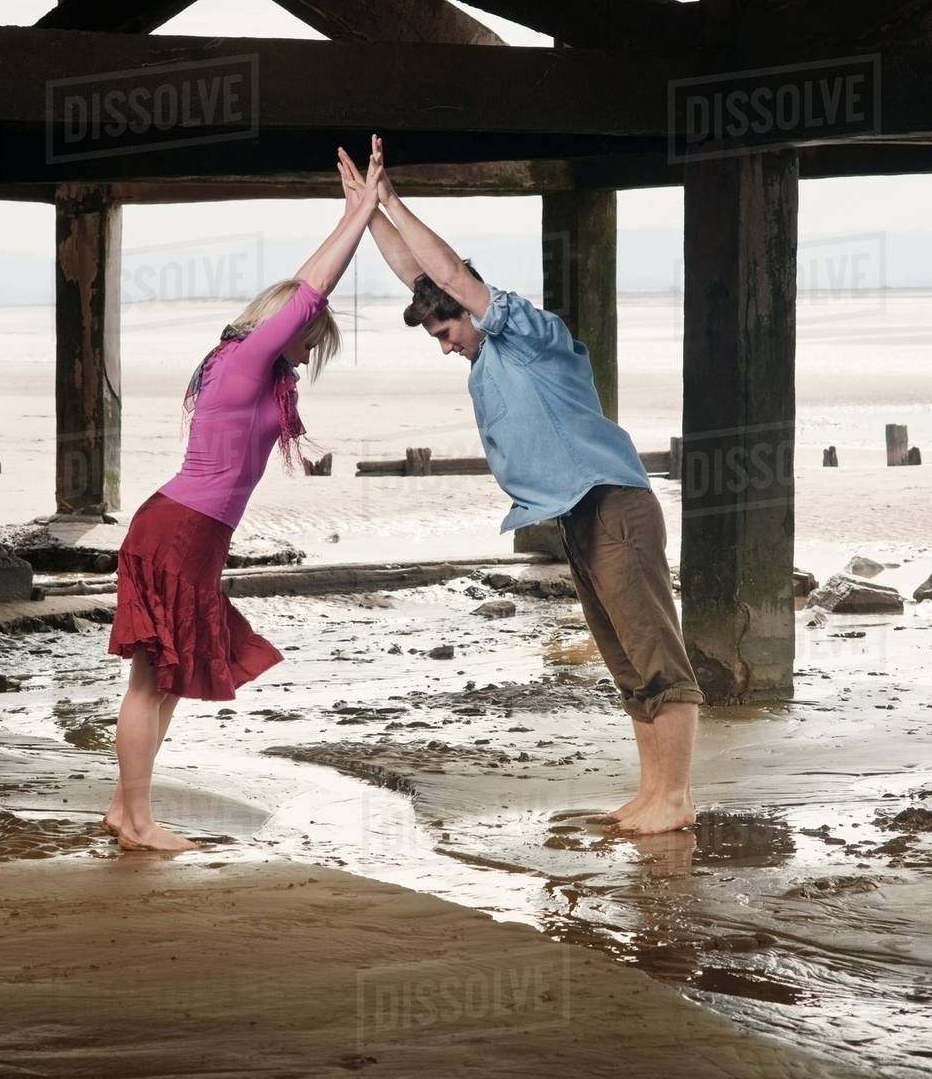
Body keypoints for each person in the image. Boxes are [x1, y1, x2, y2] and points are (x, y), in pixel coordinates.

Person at [339, 136, 704, 836]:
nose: (445, 344)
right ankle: (654, 791)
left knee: (658, 659)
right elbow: (419, 275)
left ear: (473, 307)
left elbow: (446, 267)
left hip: (612, 503)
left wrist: (395, 199)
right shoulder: (481, 356)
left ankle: (677, 797)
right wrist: (365, 213)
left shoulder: (532, 335)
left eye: (447, 328)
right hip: (577, 516)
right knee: (627, 664)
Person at [103, 145, 385, 852]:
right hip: (178, 531)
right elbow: (311, 290)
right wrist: (356, 216)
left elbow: (303, 300)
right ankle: (136, 824)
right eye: (304, 344)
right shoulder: (247, 361)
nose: (301, 357)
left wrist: (358, 213)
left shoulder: (242, 365)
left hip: (187, 531)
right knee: (150, 684)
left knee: (163, 682)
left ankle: (126, 813)